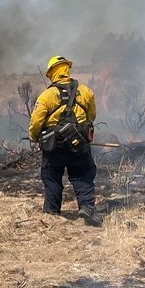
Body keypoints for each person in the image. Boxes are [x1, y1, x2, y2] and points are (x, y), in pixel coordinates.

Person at [28, 55, 102, 226]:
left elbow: (36, 121)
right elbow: (92, 116)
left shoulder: (47, 95)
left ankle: (52, 213)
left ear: (52, 73)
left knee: (52, 176)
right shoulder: (86, 91)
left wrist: (34, 136)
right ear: (67, 69)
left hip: (54, 145)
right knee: (82, 174)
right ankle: (86, 207)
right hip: (79, 144)